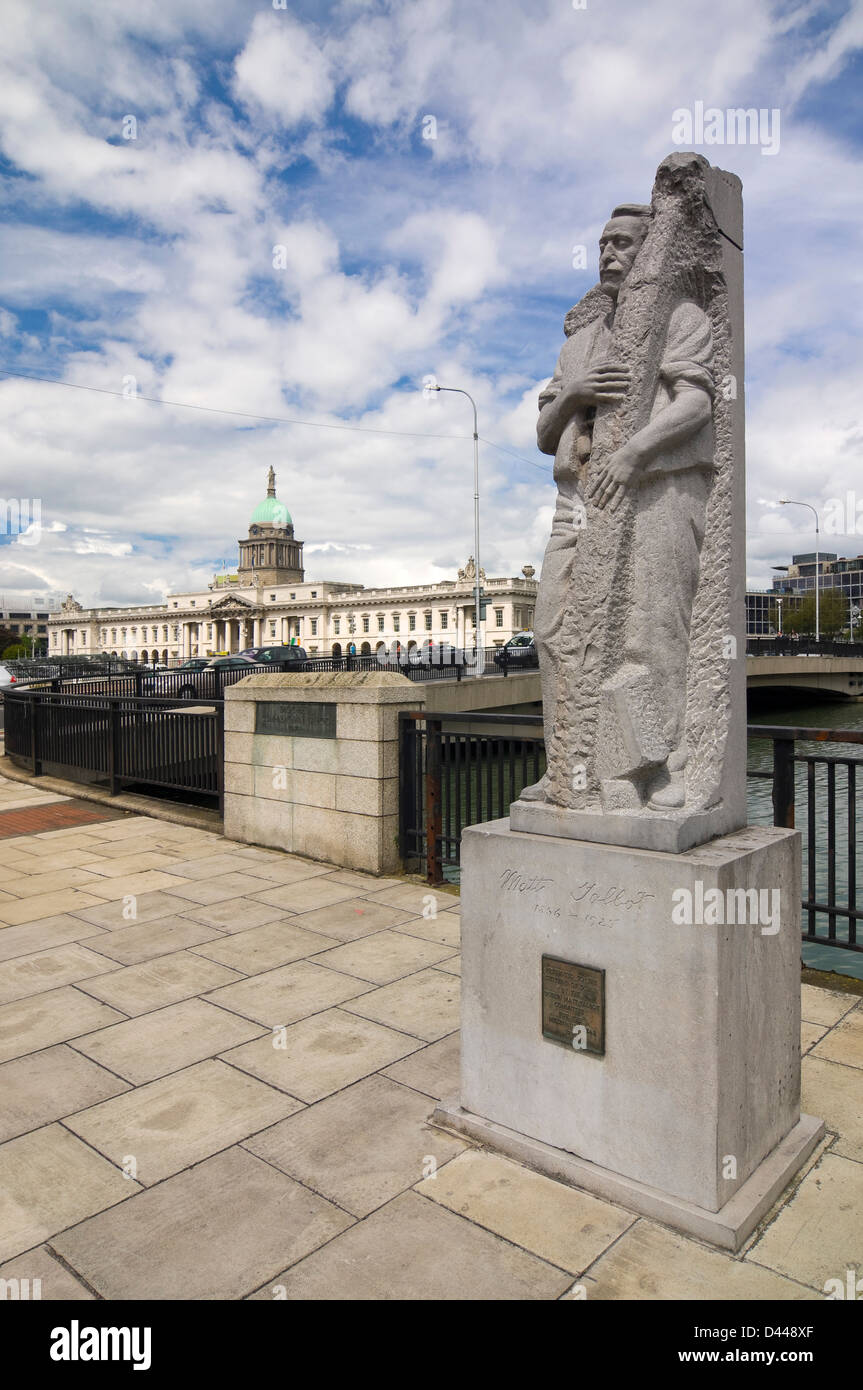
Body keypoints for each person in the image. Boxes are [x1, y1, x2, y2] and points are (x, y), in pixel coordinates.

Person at [527, 202, 715, 811]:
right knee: (553, 629)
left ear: (652, 254)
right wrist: (575, 393)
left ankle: (646, 767)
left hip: (655, 488)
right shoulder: (581, 341)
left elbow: (696, 403)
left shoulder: (680, 317)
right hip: (577, 498)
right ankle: (568, 763)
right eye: (603, 243)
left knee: (649, 629)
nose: (609, 253)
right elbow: (542, 431)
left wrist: (635, 453)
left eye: (625, 244)